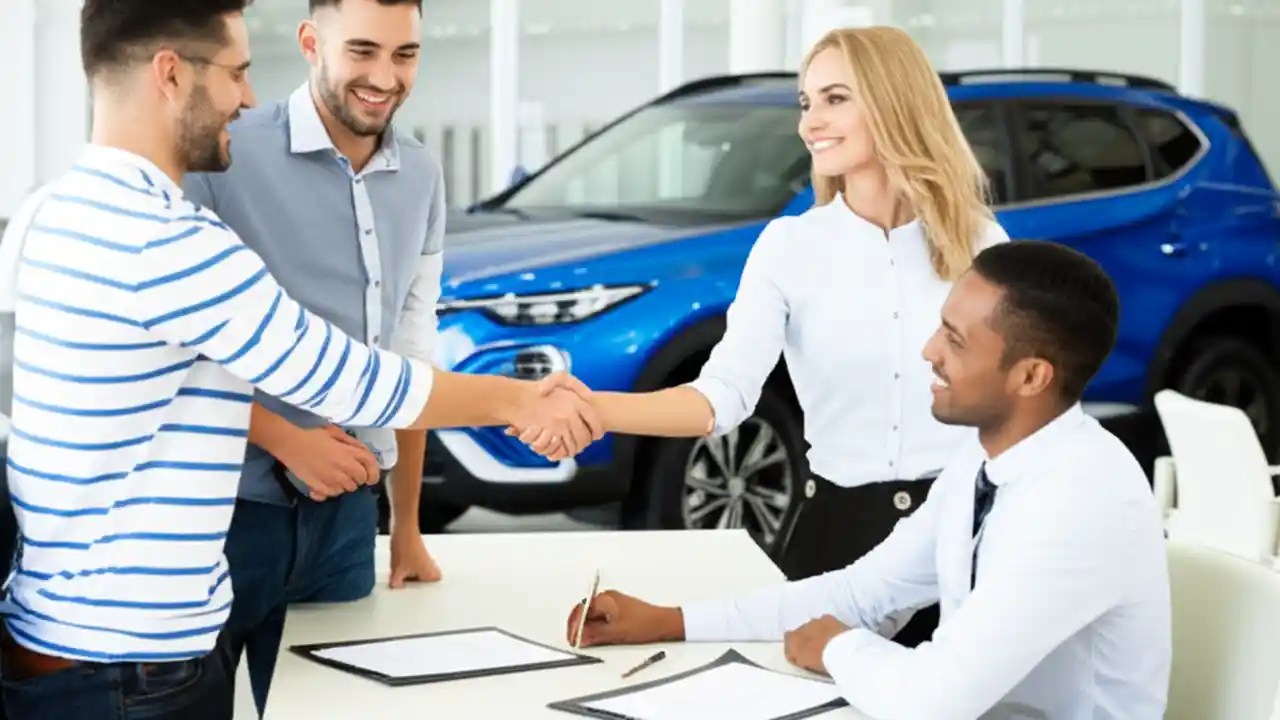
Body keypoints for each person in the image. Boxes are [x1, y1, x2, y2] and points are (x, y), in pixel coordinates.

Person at [0, 2, 600, 718]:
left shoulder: (58, 210)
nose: (248, 98)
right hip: (125, 667)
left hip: (78, 641)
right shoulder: (169, 243)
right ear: (170, 74)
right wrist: (521, 401)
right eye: (236, 73)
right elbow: (355, 381)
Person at [518, 25, 1008, 645]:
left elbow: (1012, 410)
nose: (810, 123)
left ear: (894, 100)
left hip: (966, 541)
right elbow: (722, 395)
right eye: (806, 103)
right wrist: (594, 408)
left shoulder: (983, 245)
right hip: (836, 539)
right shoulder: (789, 247)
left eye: (835, 99)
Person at [563, 241, 1173, 720]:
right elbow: (864, 595)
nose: (929, 351)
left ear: (1032, 377)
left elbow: (935, 698)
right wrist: (670, 620)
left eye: (955, 341)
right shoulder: (984, 461)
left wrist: (835, 647)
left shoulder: (1081, 500)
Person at [179, 0, 445, 712]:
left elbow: (412, 358)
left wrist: (408, 527)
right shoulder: (223, 153)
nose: (384, 77)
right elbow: (180, 346)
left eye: (405, 54)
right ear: (309, 42)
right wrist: (287, 440)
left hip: (348, 520)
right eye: (362, 51)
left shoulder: (421, 173)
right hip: (229, 513)